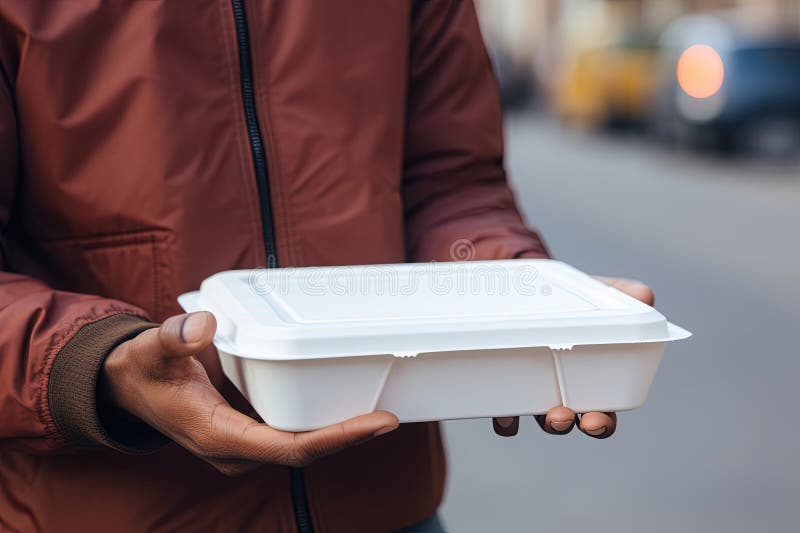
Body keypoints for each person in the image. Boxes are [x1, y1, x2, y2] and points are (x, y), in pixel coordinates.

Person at [0, 1, 655, 532]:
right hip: (103, 509)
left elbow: (451, 182)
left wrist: (515, 291)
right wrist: (94, 363)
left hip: (385, 508)